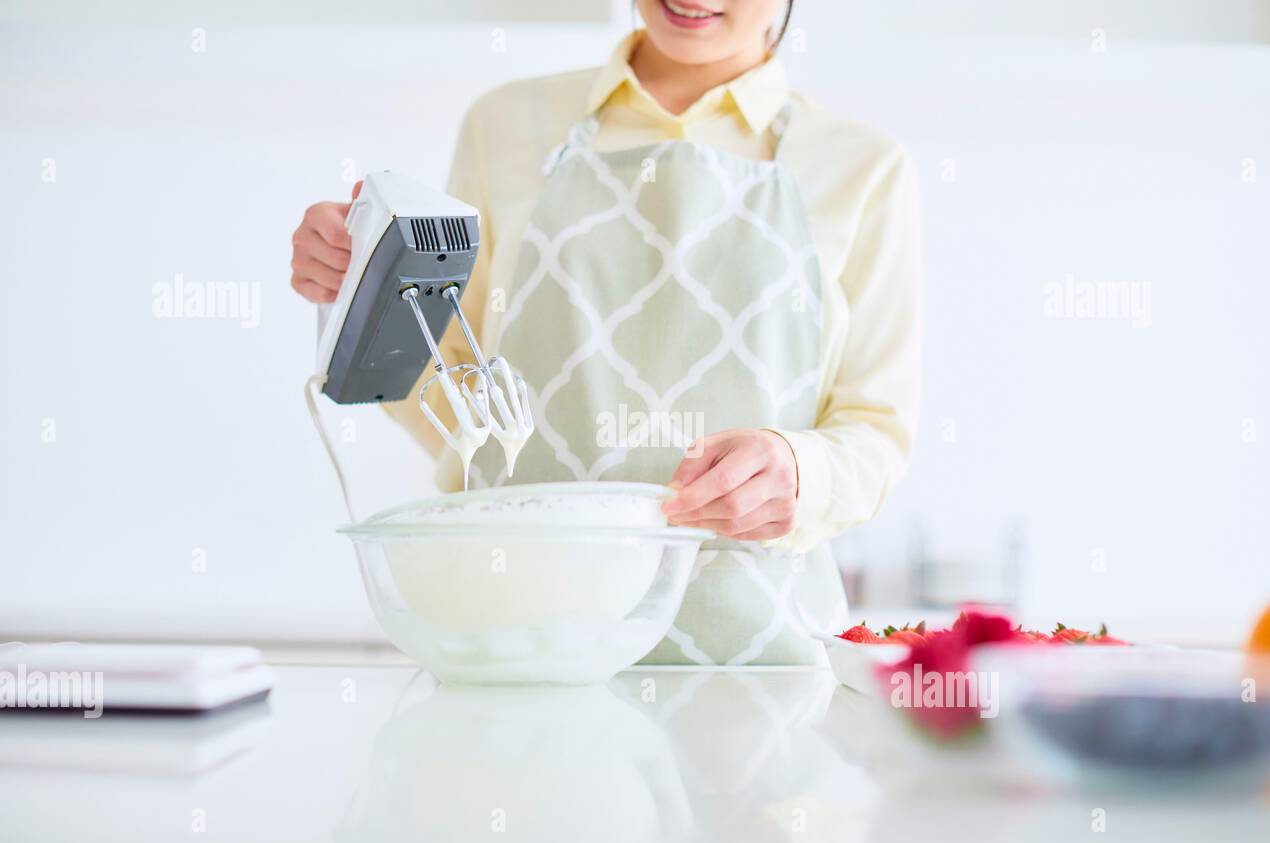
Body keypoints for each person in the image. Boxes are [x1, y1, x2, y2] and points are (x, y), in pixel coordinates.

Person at [290, 0, 921, 665]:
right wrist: (356, 290)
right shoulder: (504, 124)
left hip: (759, 666)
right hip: (520, 642)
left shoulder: (864, 168)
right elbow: (446, 383)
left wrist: (800, 471)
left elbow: (875, 429)